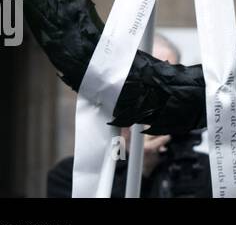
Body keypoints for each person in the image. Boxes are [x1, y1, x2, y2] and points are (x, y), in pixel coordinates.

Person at [46, 34, 212, 197]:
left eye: (166, 84)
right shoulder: (73, 176)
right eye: (141, 84)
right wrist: (140, 171)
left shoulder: (202, 171)